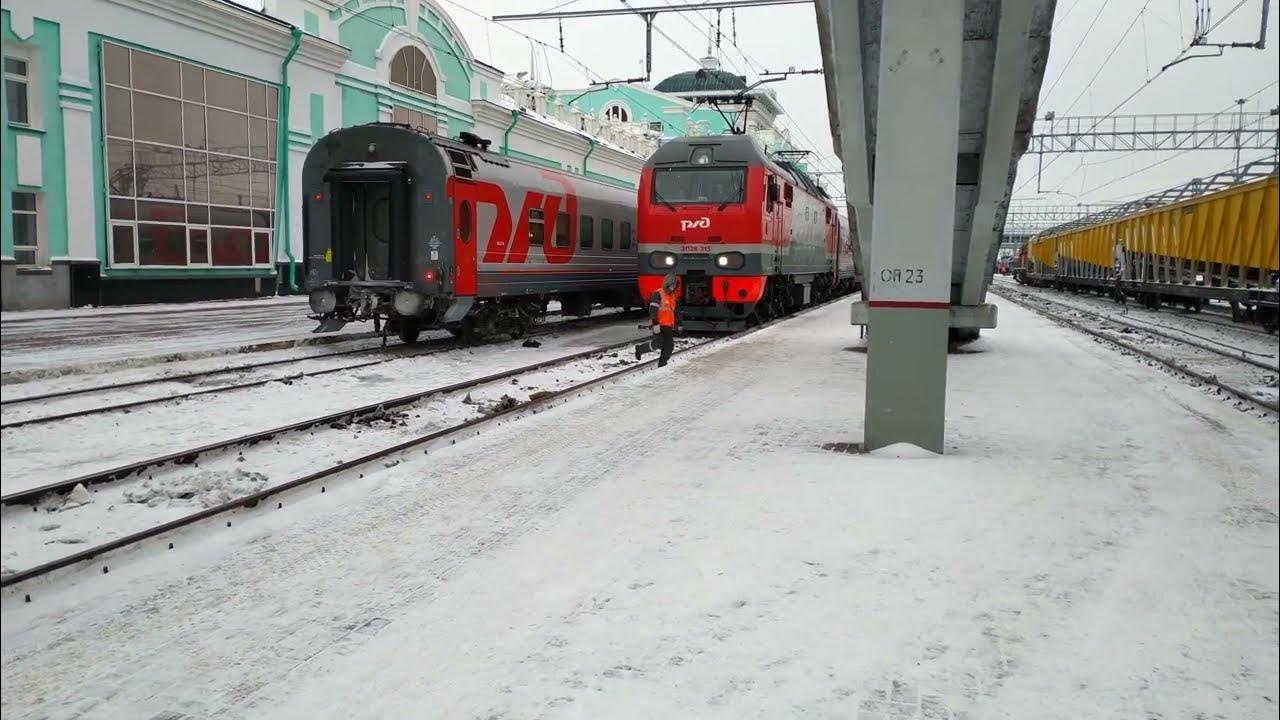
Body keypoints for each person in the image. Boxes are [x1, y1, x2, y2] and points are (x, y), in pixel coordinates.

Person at [635, 273, 678, 367]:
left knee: (667, 346)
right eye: (672, 284)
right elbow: (653, 310)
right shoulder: (658, 294)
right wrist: (655, 324)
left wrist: (678, 323)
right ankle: (641, 350)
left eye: (674, 285)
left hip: (668, 325)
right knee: (659, 344)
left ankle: (662, 363)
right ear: (667, 283)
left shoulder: (672, 296)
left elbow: (673, 311)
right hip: (659, 324)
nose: (673, 287)